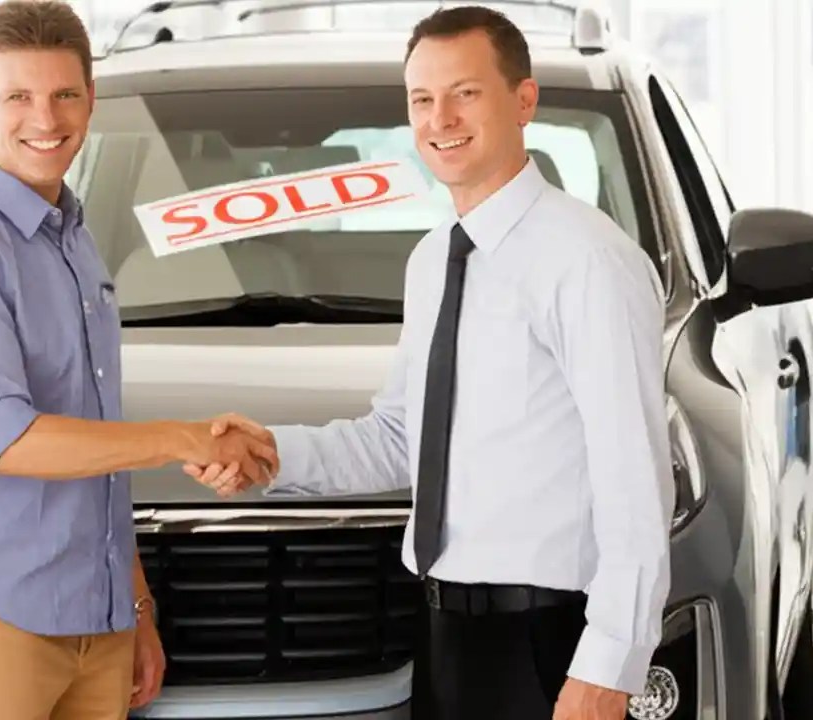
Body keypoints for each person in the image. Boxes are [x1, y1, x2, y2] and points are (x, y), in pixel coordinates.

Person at [187, 6, 674, 720]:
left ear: (524, 100)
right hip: (447, 635)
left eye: (465, 92)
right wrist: (268, 453)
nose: (440, 117)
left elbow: (635, 479)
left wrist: (608, 666)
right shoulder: (433, 260)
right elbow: (400, 441)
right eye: (422, 98)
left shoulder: (589, 262)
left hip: (551, 641)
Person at [0, 3, 277, 719]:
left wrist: (132, 602)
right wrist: (183, 438)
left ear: (90, 102)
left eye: (65, 94)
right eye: (19, 97)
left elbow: (94, 440)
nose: (46, 117)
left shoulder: (72, 237)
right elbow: (7, 437)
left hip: (96, 623)